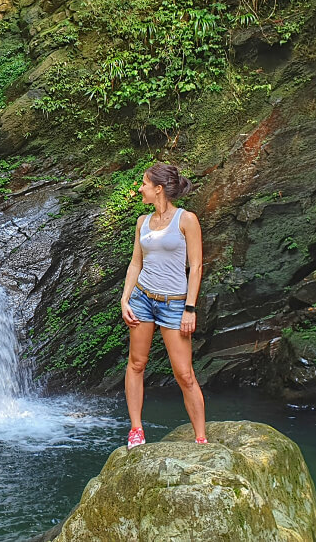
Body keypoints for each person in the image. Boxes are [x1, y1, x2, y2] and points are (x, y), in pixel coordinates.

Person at [120, 163, 208, 448]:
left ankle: (201, 438)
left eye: (144, 184)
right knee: (136, 364)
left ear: (158, 189)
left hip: (174, 304)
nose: (140, 189)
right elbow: (136, 263)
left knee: (184, 374)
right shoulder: (142, 222)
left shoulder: (186, 220)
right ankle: (136, 430)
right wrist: (125, 299)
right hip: (142, 299)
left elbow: (196, 267)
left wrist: (190, 308)